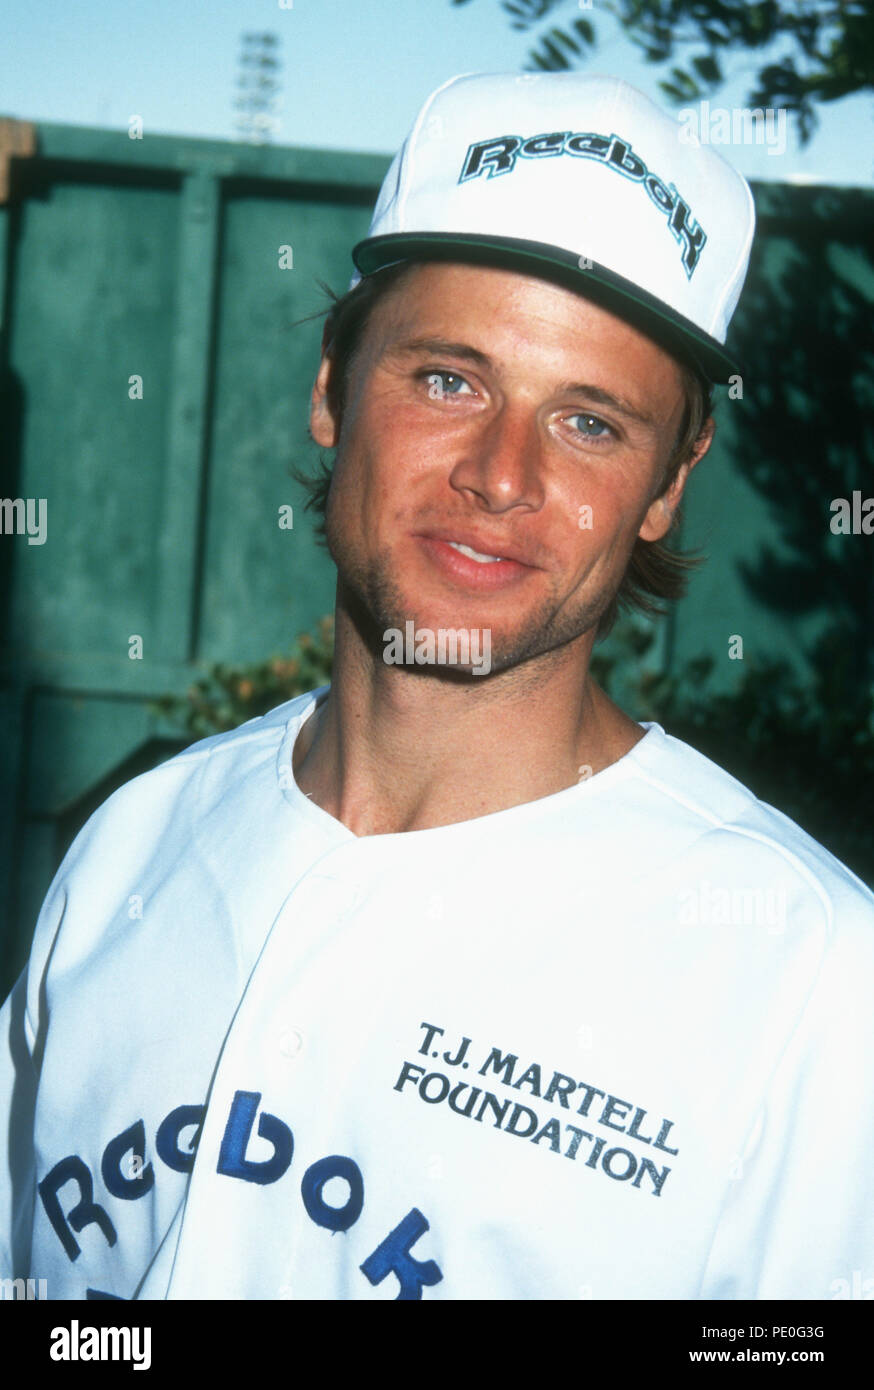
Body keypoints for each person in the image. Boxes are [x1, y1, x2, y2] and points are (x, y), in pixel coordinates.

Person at [1, 71, 872, 1302]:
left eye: (590, 422)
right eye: (449, 379)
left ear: (667, 487)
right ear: (331, 386)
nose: (501, 476)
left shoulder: (807, 979)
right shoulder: (134, 845)